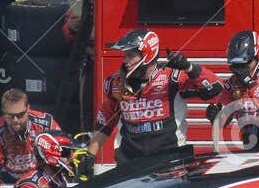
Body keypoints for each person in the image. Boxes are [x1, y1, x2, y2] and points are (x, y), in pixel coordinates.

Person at [89, 28, 222, 165]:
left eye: (130, 55)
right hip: (129, 161)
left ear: (147, 54)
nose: (125, 61)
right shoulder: (115, 83)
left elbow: (215, 88)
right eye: (125, 55)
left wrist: (188, 67)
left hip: (170, 158)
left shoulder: (172, 78)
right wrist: (90, 155)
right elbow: (104, 121)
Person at [0, 88, 69, 185]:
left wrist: (58, 156)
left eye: (20, 115)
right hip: (10, 182)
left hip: (41, 177)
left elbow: (65, 155)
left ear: (28, 109)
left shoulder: (46, 123)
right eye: (10, 115)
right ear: (3, 111)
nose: (15, 120)